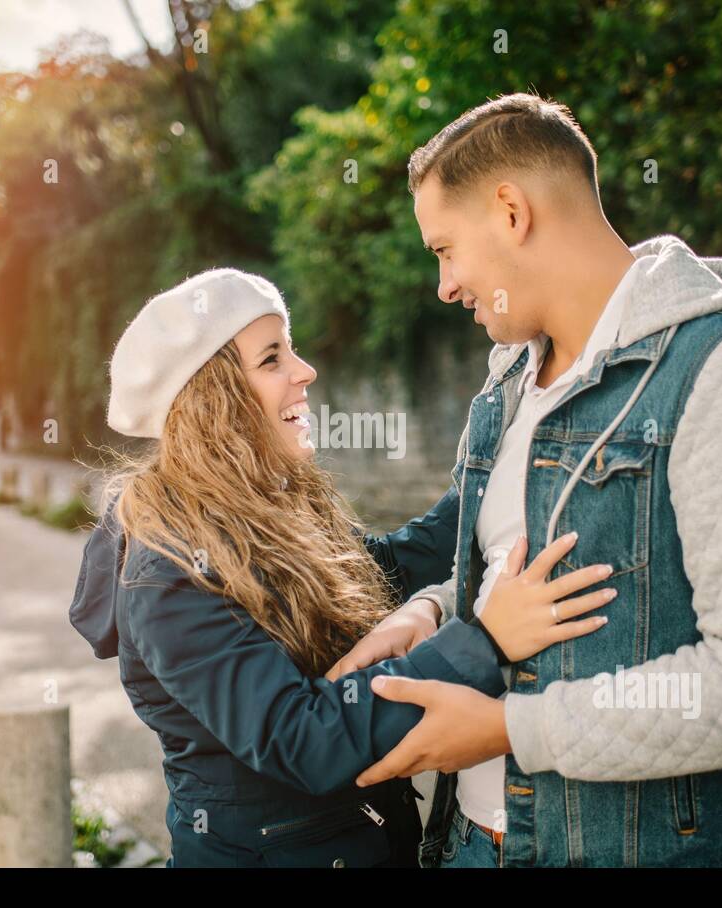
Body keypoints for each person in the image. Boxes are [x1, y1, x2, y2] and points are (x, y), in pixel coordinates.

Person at [352, 93, 722, 868]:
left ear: (510, 211)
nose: (443, 285)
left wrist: (513, 730)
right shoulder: (509, 380)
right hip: (471, 844)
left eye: (444, 249)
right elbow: (515, 560)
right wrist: (429, 608)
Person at [68, 267, 617, 866]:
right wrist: (484, 641)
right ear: (214, 402)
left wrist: (496, 477)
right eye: (273, 359)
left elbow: (379, 571)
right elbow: (301, 739)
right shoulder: (166, 572)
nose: (305, 371)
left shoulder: (272, 505)